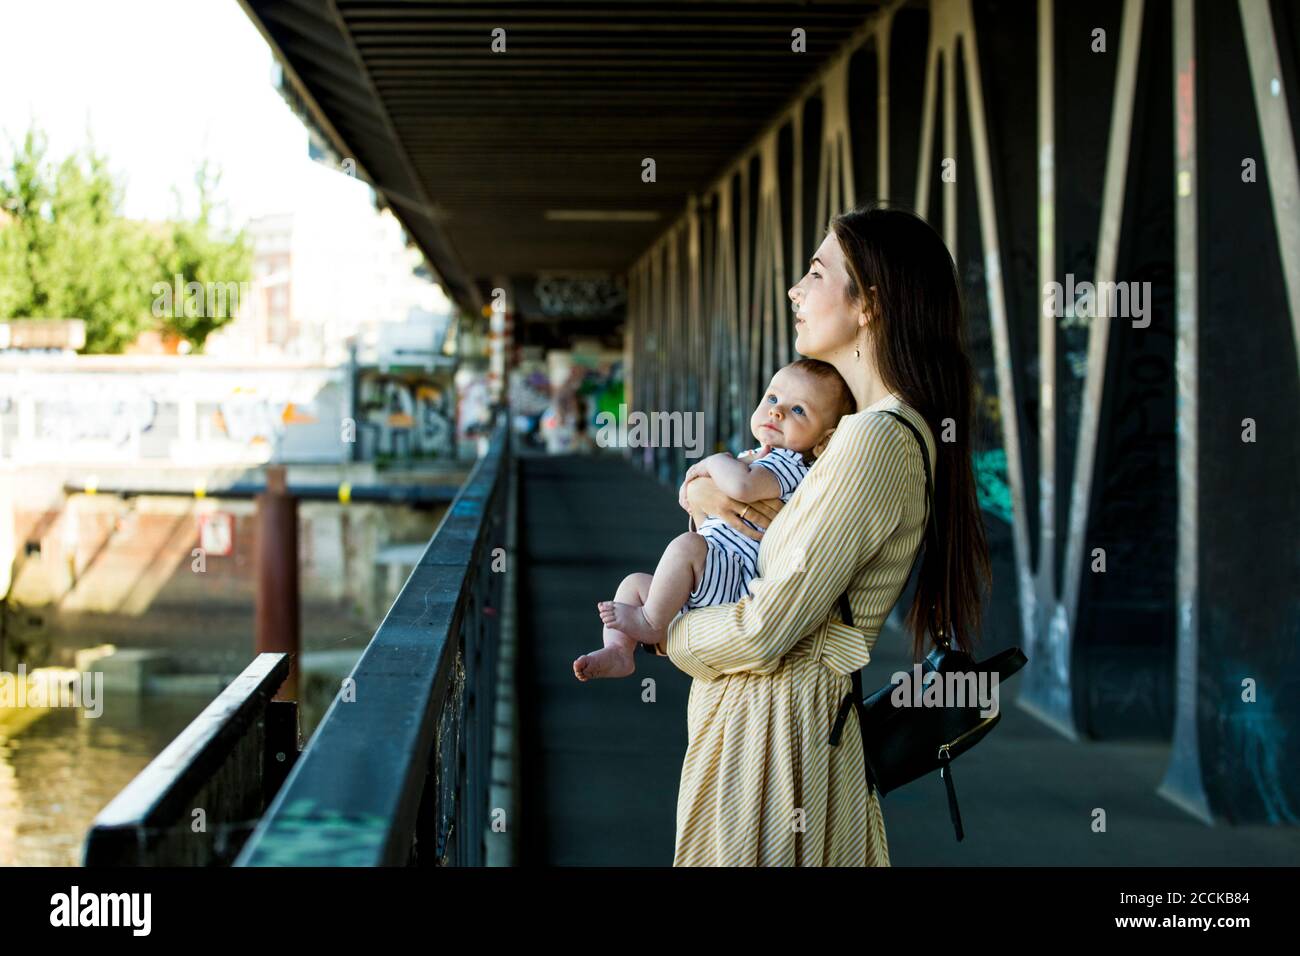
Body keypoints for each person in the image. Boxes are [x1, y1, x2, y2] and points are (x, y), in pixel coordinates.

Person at [641, 204, 992, 866]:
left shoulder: (872, 443)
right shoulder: (844, 439)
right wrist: (703, 489)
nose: (796, 291)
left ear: (869, 306)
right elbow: (737, 508)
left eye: (815, 272)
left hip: (776, 741)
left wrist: (666, 633)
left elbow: (766, 626)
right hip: (775, 727)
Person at [572, 358, 854, 681]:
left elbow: (741, 486)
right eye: (773, 399)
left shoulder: (793, 462)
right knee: (633, 584)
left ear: (823, 441)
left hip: (733, 574)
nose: (777, 412)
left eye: (799, 410)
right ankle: (620, 651)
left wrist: (712, 463)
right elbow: (709, 507)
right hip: (715, 569)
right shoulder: (760, 456)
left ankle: (650, 623)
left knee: (687, 547)